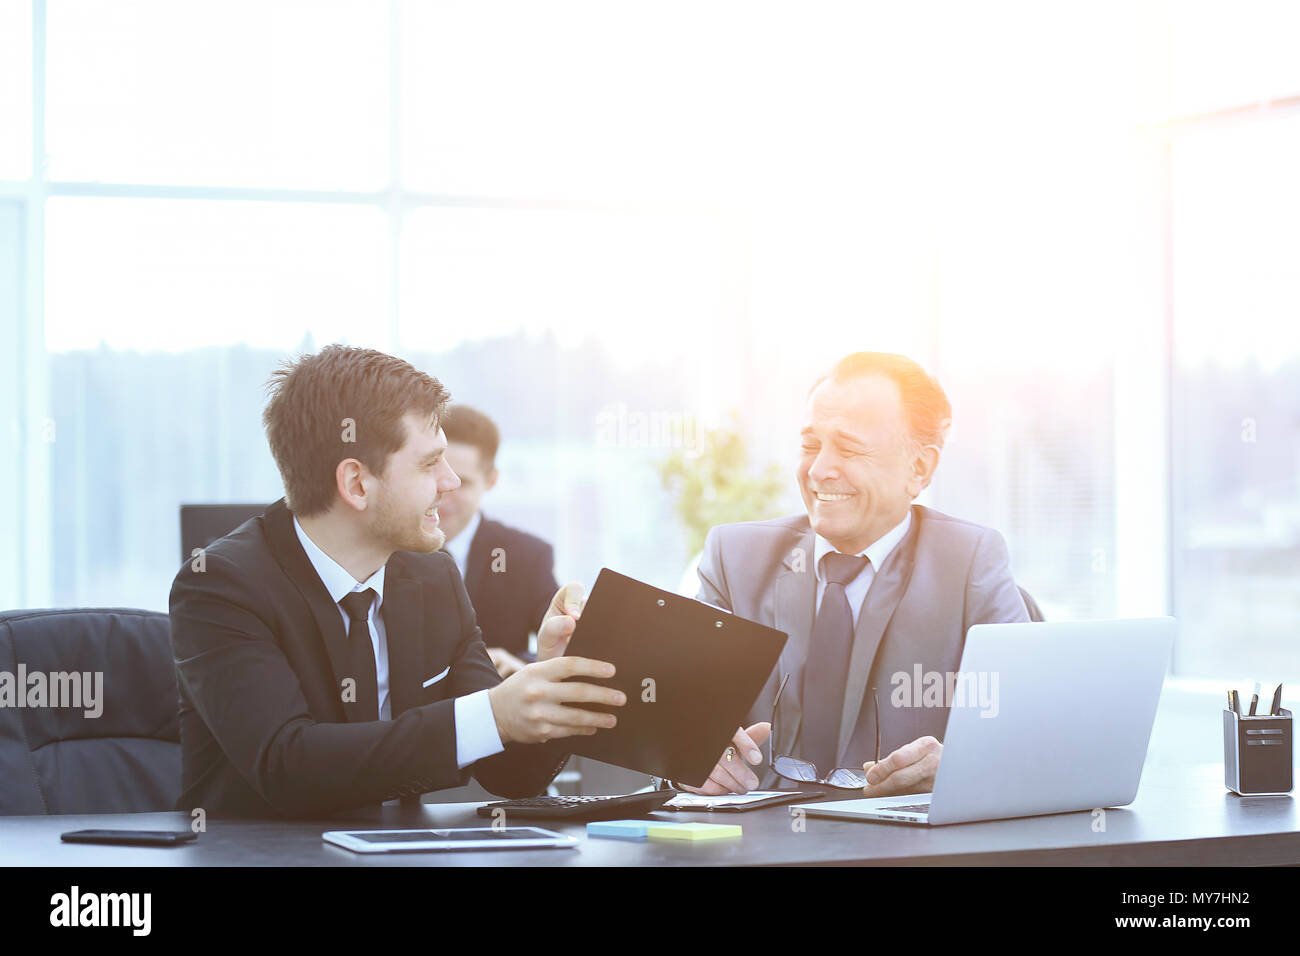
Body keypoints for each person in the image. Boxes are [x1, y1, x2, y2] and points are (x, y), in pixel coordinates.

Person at [169, 345, 624, 817]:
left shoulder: (433, 576)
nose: (450, 483)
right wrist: (491, 713)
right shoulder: (221, 587)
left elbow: (509, 775)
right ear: (357, 484)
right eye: (431, 464)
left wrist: (551, 684)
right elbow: (288, 765)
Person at [689, 351, 1030, 798]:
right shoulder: (734, 558)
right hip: (758, 847)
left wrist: (962, 766)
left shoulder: (970, 561)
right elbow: (679, 714)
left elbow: (1026, 733)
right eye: (811, 445)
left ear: (919, 468)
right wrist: (692, 753)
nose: (818, 469)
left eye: (848, 448)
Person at [437, 404, 558, 678]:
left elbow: (562, 647)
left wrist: (522, 668)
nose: (443, 494)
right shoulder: (385, 549)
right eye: (436, 477)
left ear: (491, 480)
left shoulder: (527, 556)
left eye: (461, 483)